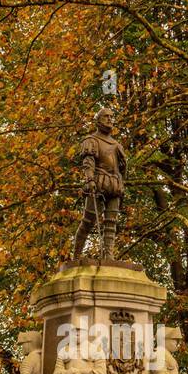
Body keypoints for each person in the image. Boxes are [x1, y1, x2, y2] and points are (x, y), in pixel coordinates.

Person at [72, 108, 127, 261]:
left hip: (114, 185)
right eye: (106, 117)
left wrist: (121, 184)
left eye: (111, 117)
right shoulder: (92, 140)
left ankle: (108, 256)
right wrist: (89, 180)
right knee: (88, 221)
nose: (110, 119)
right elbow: (88, 162)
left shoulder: (116, 145)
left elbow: (122, 168)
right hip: (98, 183)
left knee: (111, 223)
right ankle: (76, 255)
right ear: (98, 121)